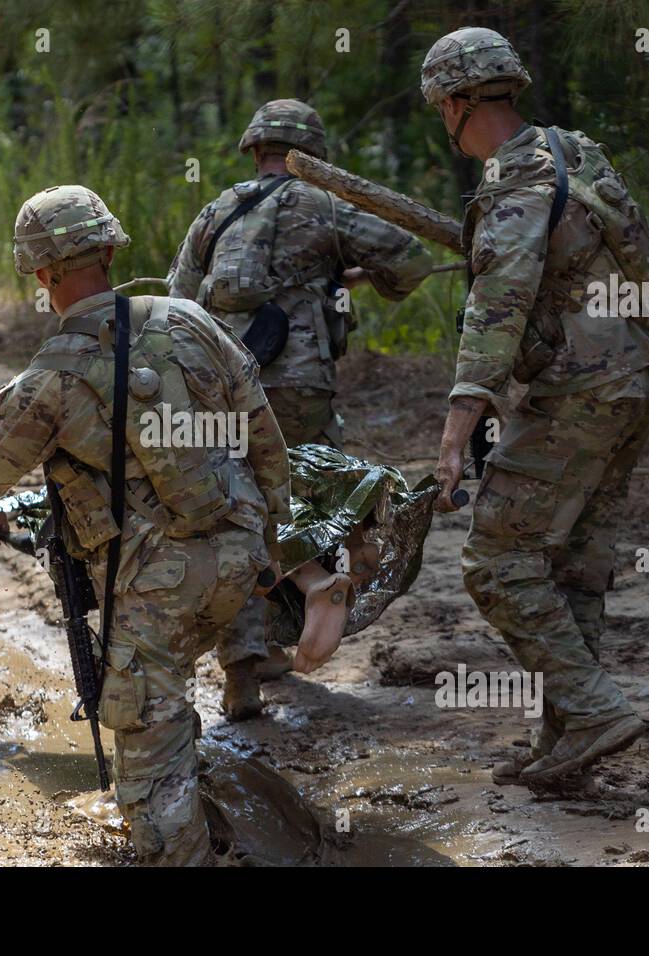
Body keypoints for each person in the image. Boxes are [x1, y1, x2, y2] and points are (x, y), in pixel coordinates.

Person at [0, 185, 292, 865]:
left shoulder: (50, 377)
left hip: (160, 586)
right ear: (108, 249)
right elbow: (264, 434)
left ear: (41, 276)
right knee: (164, 693)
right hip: (240, 558)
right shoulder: (191, 320)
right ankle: (206, 793)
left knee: (148, 782)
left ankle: (180, 843)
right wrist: (273, 541)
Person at [422, 28, 649, 786]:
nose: (445, 120)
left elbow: (492, 320)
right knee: (573, 562)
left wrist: (452, 441)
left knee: (496, 561)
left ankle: (594, 710)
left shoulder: (512, 190)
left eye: (443, 107)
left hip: (580, 394)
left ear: (459, 102)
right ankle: (568, 742)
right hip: (637, 382)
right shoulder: (576, 152)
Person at [167, 97, 436, 719]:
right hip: (300, 385)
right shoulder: (325, 205)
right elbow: (413, 259)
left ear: (252, 150)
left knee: (238, 511)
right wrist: (345, 276)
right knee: (303, 500)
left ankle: (244, 671)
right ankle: (318, 588)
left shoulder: (217, 210)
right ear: (313, 158)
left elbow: (177, 302)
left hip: (225, 384)